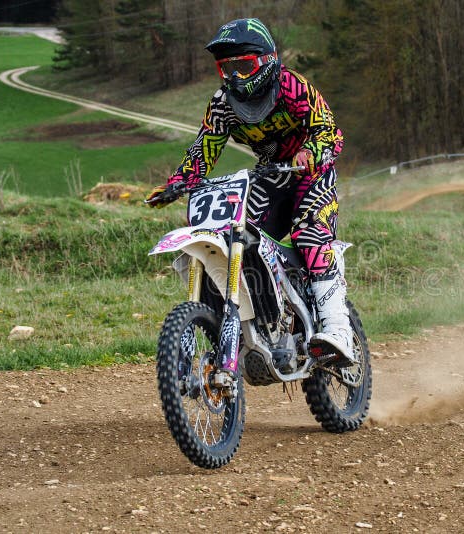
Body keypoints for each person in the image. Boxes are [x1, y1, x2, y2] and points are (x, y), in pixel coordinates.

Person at [146, 18, 355, 366]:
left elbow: (331, 134)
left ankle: (336, 329)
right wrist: (177, 183)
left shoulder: (293, 87)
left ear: (266, 60)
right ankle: (251, 323)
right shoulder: (223, 104)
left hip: (310, 173)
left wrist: (310, 153)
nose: (235, 77)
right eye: (227, 68)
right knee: (237, 236)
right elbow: (204, 149)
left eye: (243, 66)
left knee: (308, 233)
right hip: (270, 175)